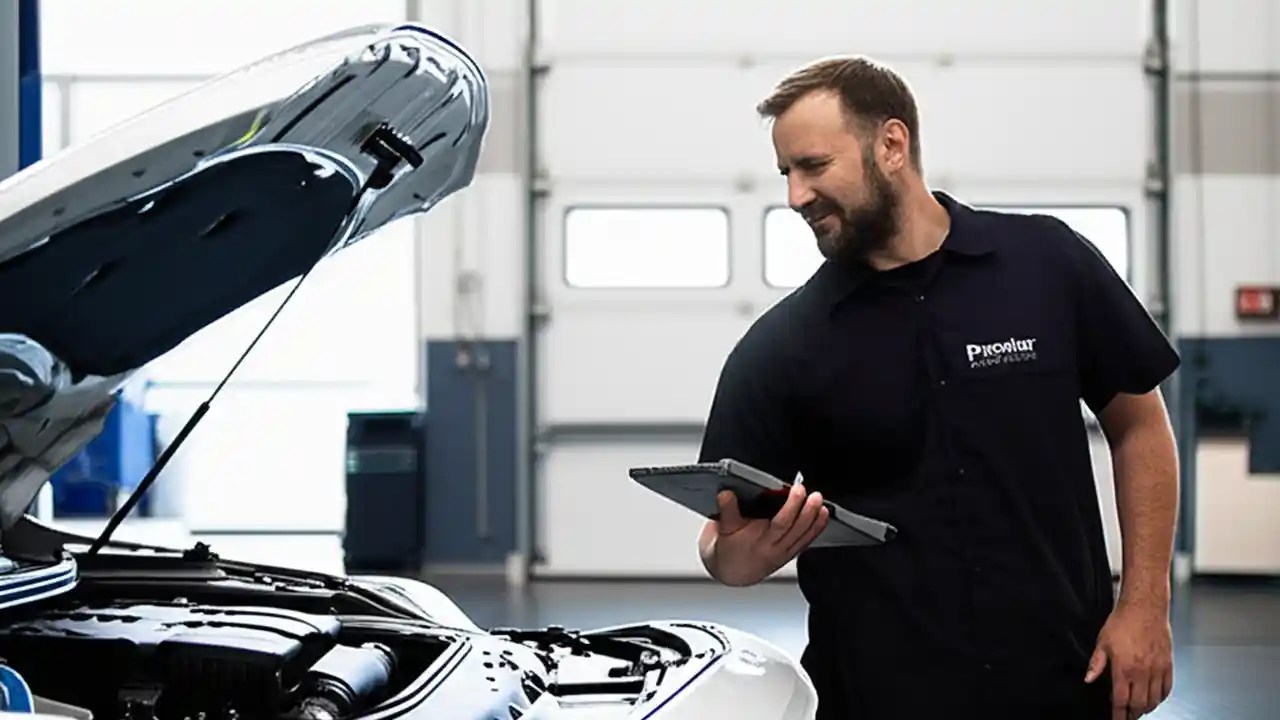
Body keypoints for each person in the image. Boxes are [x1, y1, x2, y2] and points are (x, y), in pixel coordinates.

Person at [695, 55, 1180, 719]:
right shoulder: (782, 346)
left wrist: (1145, 604)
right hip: (875, 696)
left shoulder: (1047, 264)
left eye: (813, 166)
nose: (795, 196)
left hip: (1062, 682)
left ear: (891, 145)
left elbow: (1140, 425)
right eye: (786, 173)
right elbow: (724, 540)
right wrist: (739, 559)